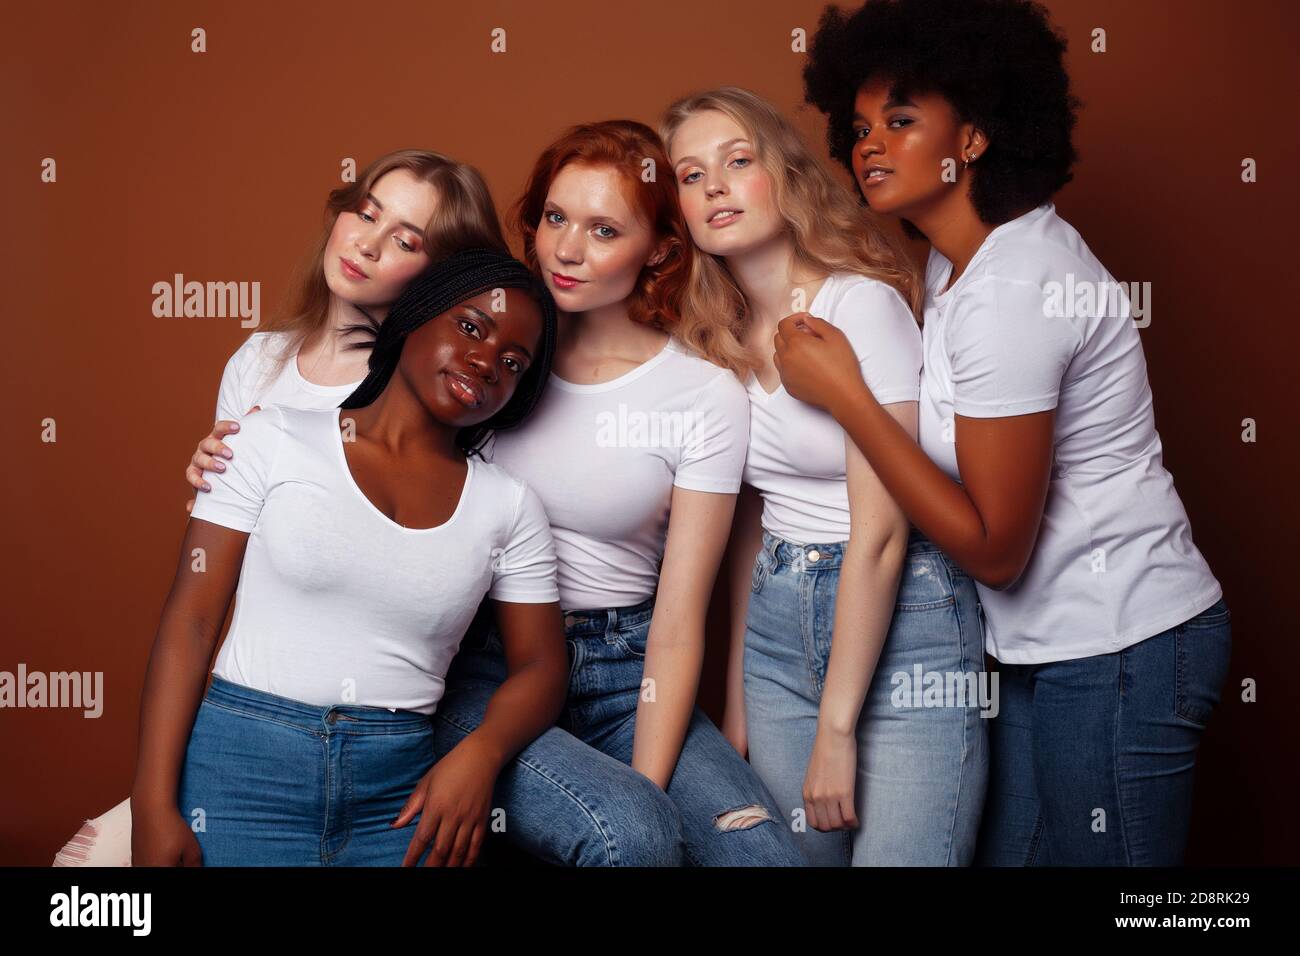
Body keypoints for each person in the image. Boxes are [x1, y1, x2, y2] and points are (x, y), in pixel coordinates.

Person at [787, 0, 1231, 864]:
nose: (867, 144)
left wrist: (848, 398)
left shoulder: (1016, 287)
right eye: (861, 125)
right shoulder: (957, 265)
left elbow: (995, 549)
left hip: (1123, 645)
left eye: (903, 120)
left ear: (976, 138)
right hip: (1040, 651)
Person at [430, 120, 805, 866]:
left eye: (605, 230)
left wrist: (645, 788)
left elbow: (677, 620)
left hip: (627, 671)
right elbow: (371, 408)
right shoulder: (491, 355)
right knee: (624, 835)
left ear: (660, 250)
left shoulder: (702, 394)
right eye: (557, 218)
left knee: (764, 859)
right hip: (488, 662)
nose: (568, 249)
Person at [132, 246, 567, 866]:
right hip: (242, 774)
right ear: (415, 316)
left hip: (400, 798)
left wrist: (481, 754)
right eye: (471, 326)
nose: (485, 362)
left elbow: (542, 668)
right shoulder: (269, 439)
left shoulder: (509, 506)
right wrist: (152, 804)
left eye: (513, 362)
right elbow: (192, 621)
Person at [662, 86, 988, 865]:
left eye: (737, 162)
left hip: (905, 620)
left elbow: (881, 530)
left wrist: (836, 728)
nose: (714, 186)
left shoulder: (861, 306)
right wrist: (742, 687)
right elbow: (753, 520)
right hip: (777, 626)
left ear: (785, 173)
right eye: (689, 174)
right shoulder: (713, 335)